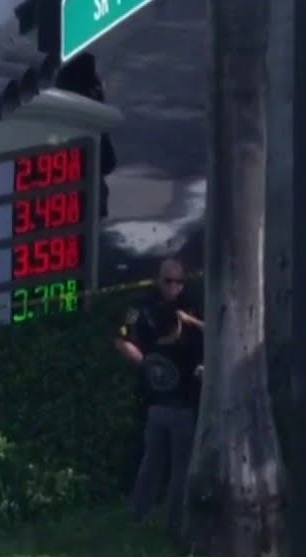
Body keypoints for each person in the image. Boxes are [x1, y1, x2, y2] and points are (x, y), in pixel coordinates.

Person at [114, 259, 203, 493]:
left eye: (179, 281)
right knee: (150, 462)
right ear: (159, 280)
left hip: (187, 399)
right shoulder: (142, 306)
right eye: (168, 281)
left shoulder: (192, 304)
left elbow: (211, 329)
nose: (174, 286)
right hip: (154, 399)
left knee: (182, 467)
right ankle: (139, 514)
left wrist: (189, 320)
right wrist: (146, 364)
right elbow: (122, 340)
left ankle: (175, 520)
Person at [54, 52, 117, 218]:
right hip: (83, 188)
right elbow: (107, 161)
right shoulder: (92, 100)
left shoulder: (63, 105)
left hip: (73, 192)